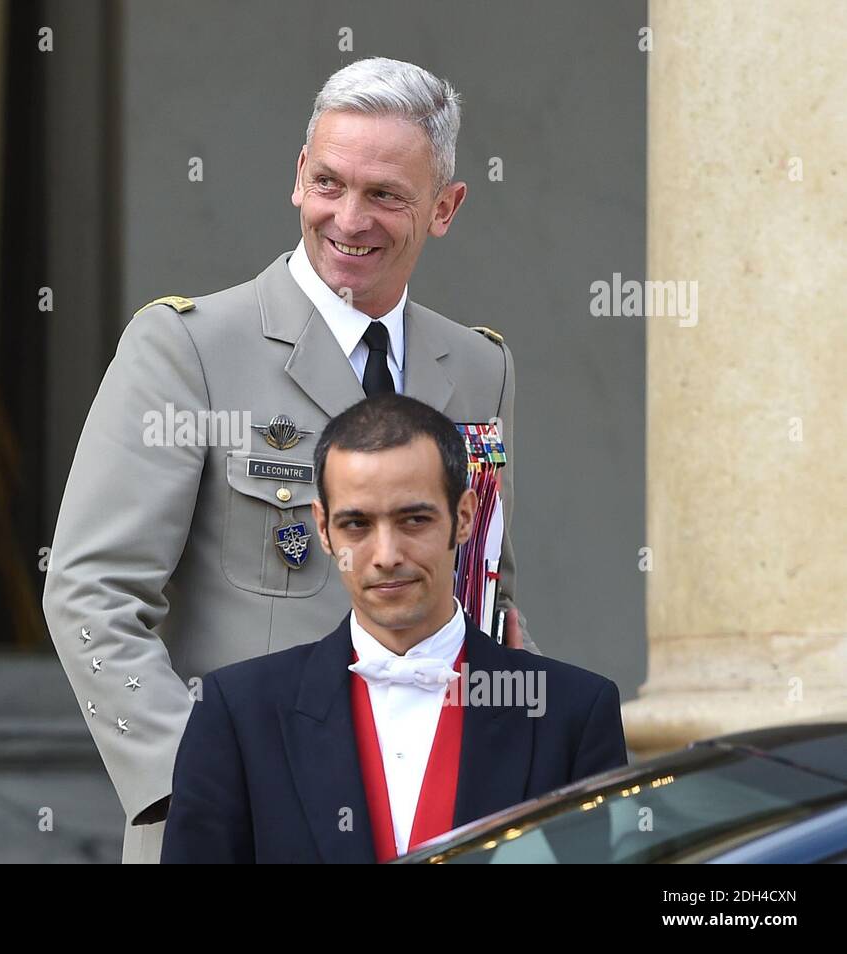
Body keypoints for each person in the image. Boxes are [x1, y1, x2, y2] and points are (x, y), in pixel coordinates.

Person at [44, 57, 537, 864]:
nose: (350, 218)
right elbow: (89, 596)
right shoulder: (189, 347)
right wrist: (205, 785)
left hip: (441, 828)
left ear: (444, 208)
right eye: (330, 183)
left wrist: (527, 769)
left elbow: (490, 596)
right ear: (298, 179)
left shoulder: (480, 367)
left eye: (386, 195)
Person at [160, 394, 627, 863]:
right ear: (323, 529)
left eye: (414, 520)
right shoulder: (237, 713)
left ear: (463, 517)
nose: (386, 555)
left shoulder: (573, 715)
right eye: (357, 524)